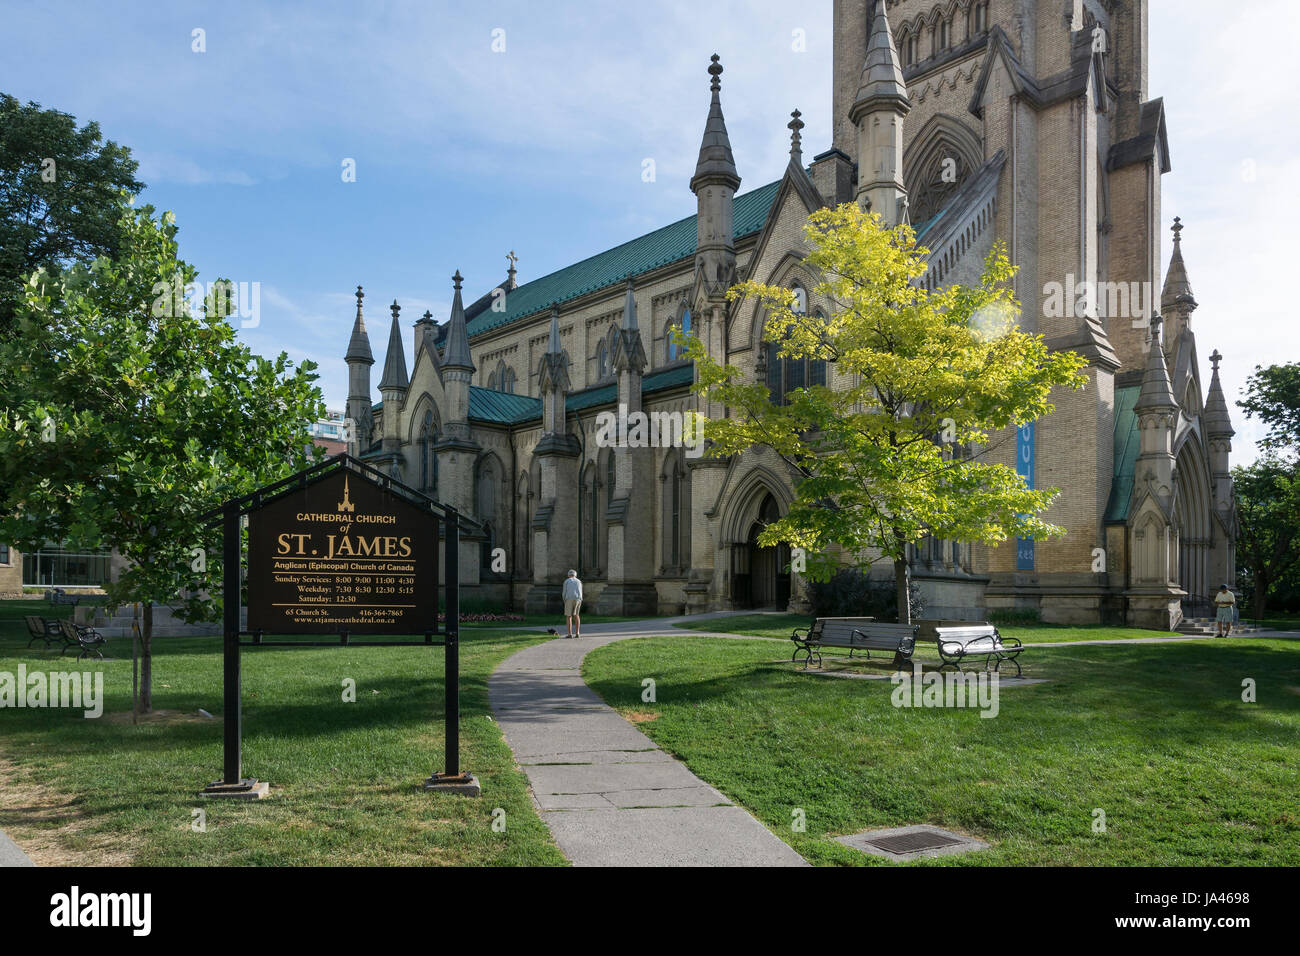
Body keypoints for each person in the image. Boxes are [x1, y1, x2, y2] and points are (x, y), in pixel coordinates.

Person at [562, 569, 583, 639]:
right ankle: (577, 633)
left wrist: (564, 600)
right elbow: (580, 591)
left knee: (569, 616)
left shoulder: (567, 581)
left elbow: (564, 592)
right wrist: (580, 599)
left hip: (569, 598)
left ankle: (569, 634)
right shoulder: (579, 581)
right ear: (575, 575)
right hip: (578, 599)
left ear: (568, 575)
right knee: (576, 615)